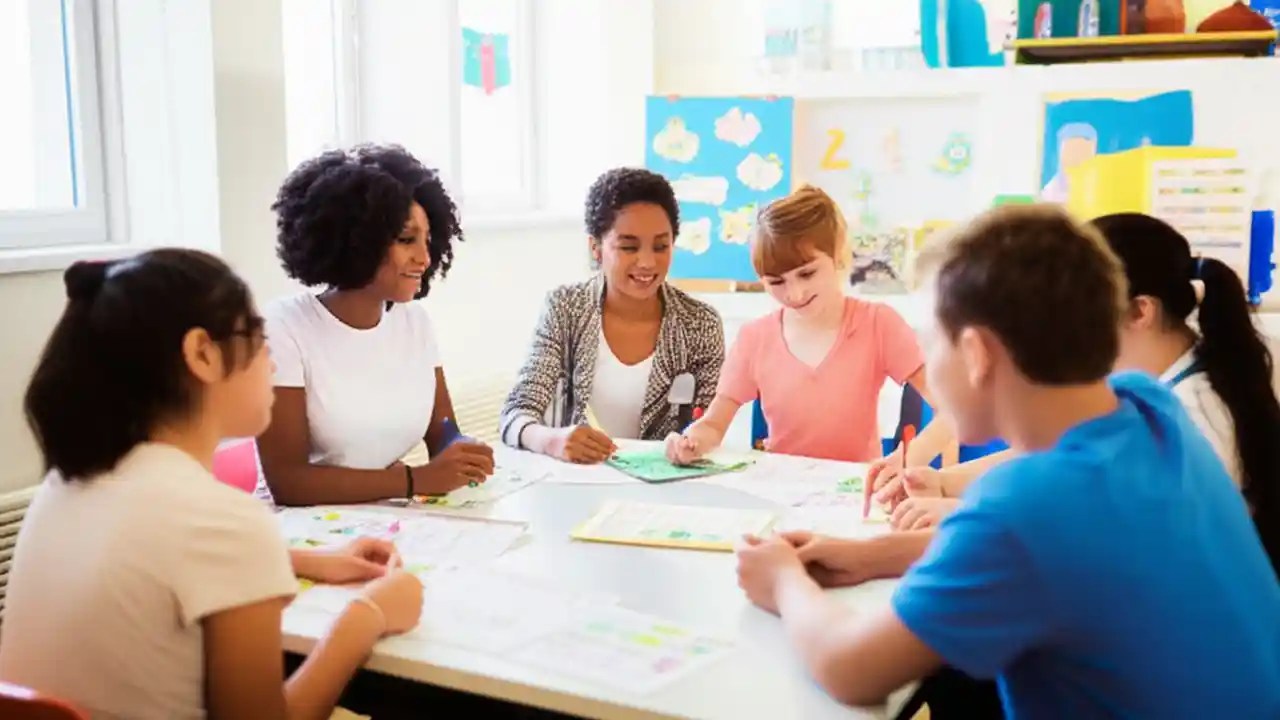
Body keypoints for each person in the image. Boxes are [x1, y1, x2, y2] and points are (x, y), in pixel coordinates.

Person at [734, 205, 1280, 716]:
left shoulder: (1025, 506)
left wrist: (782, 580)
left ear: (975, 354)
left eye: (933, 342)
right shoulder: (1152, 405)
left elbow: (849, 667)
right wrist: (872, 555)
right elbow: (1053, 540)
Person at [0, 251, 424, 720]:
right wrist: (368, 617)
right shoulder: (225, 521)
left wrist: (305, 561)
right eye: (259, 338)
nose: (271, 358)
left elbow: (160, 562)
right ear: (202, 353)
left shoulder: (67, 486)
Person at [874, 213, 1280, 576]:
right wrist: (945, 483)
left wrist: (969, 513)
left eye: (1081, 313)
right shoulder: (1141, 383)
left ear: (1141, 311)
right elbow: (1057, 451)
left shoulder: (1193, 413)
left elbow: (1117, 541)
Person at [259, 144, 494, 506]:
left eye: (428, 239)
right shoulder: (286, 328)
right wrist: (413, 480)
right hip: (303, 530)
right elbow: (289, 482)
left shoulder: (414, 322)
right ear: (357, 239)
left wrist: (462, 453)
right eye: (406, 240)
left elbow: (442, 434)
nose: (425, 257)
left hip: (385, 517)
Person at [666, 185, 950, 466]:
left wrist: (906, 461)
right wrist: (689, 442)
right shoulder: (755, 338)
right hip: (783, 489)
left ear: (838, 254)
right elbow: (714, 425)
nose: (795, 294)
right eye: (776, 282)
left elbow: (951, 411)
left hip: (854, 492)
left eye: (807, 273)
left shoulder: (878, 324)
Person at [499, 167, 725, 464]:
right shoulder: (565, 308)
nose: (647, 262)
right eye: (628, 247)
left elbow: (712, 423)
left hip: (665, 493)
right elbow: (516, 413)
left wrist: (692, 442)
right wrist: (551, 440)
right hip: (574, 484)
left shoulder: (700, 324)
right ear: (595, 247)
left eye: (661, 246)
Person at [1040, 122, 1097, 204]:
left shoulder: (1099, 189)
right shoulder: (1049, 194)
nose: (1077, 158)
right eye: (1072, 150)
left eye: (1083, 151)